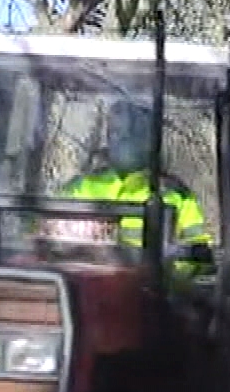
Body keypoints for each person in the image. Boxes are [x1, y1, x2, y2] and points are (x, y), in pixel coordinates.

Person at [58, 98, 212, 274]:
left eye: (132, 133)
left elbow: (197, 255)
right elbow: (44, 241)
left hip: (150, 294)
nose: (121, 140)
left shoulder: (175, 195)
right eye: (115, 132)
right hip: (81, 287)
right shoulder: (80, 187)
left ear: (150, 139)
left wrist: (169, 278)